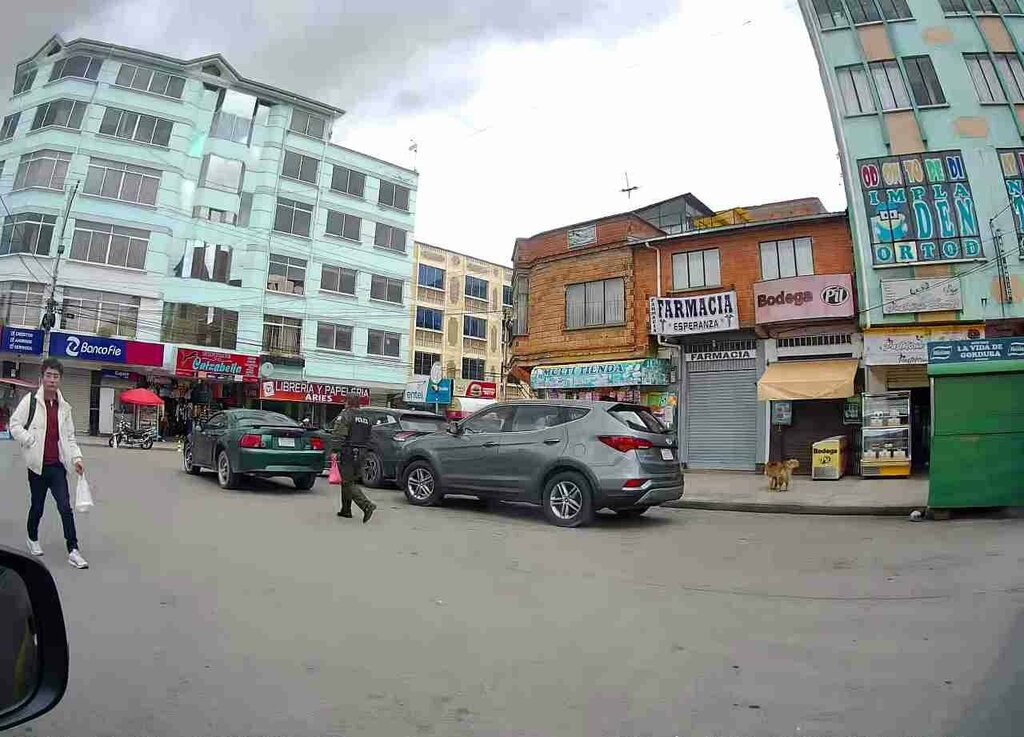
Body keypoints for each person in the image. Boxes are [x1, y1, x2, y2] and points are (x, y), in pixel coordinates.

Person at [9, 357, 88, 569]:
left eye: (56, 376)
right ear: (42, 377)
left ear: (60, 380)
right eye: (49, 375)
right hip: (37, 467)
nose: (52, 380)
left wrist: (77, 458)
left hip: (57, 467)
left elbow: (69, 437)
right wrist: (29, 440)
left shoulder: (64, 408)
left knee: (65, 508)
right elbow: (14, 425)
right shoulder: (31, 401)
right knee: (38, 506)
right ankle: (32, 538)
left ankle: (73, 550)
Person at [330, 394, 376, 523]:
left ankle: (366, 505)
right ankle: (346, 510)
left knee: (347, 482)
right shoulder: (366, 417)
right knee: (350, 481)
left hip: (349, 451)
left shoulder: (346, 415)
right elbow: (370, 435)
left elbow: (339, 434)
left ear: (347, 402)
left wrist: (334, 450)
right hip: (362, 452)